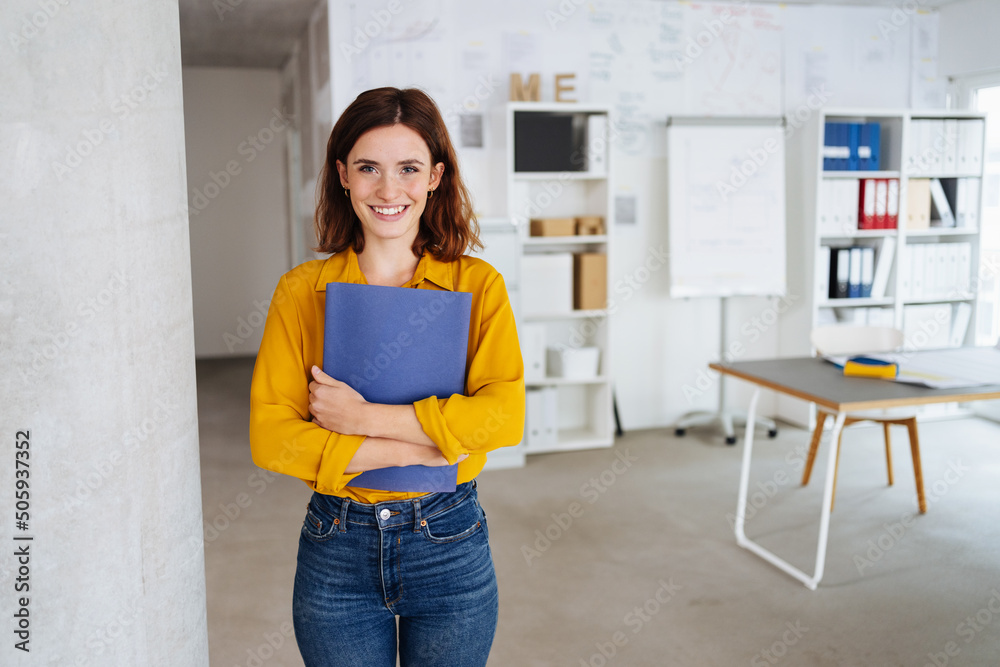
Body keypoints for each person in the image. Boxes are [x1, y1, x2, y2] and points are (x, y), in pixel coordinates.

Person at [249, 87, 525, 667]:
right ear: (342, 175)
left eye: (408, 169)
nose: (388, 189)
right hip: (336, 544)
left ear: (435, 177)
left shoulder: (479, 286)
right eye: (368, 167)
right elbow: (271, 438)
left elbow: (504, 418)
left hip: (448, 540)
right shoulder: (301, 292)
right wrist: (417, 445)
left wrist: (362, 419)